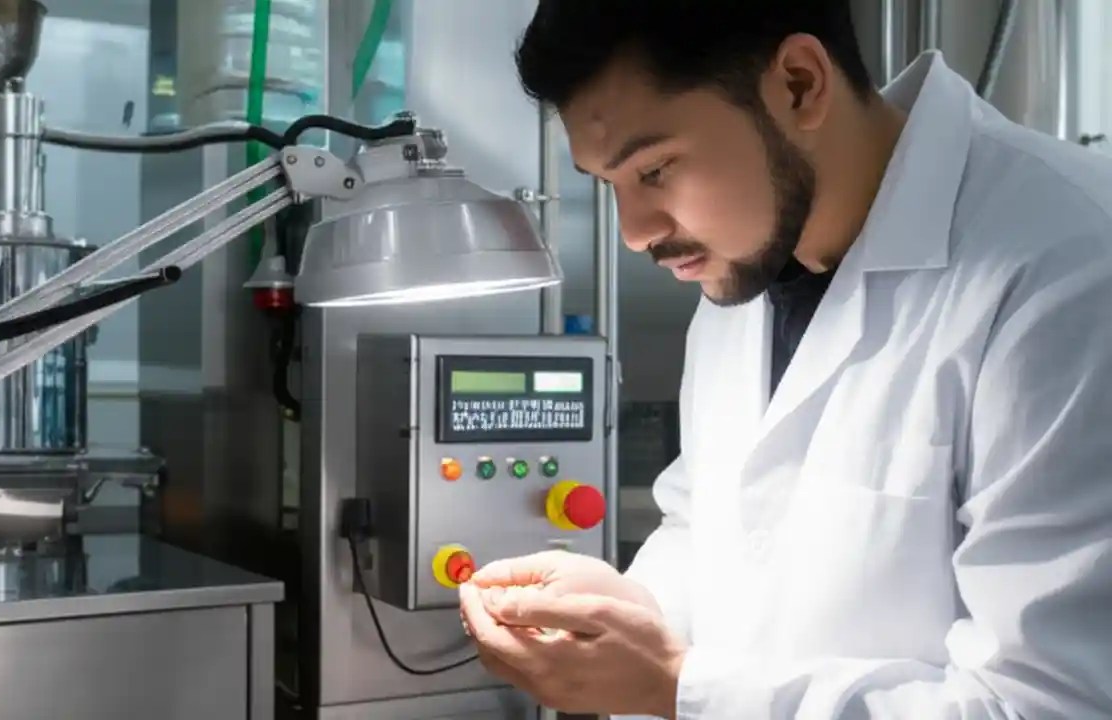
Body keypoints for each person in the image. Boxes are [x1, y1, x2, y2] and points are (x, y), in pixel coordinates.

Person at [458, 1, 1112, 718]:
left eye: (655, 168)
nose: (636, 233)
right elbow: (710, 524)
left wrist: (676, 686)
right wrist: (632, 613)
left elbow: (1050, 704)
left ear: (799, 84)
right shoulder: (745, 267)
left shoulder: (1068, 266)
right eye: (608, 185)